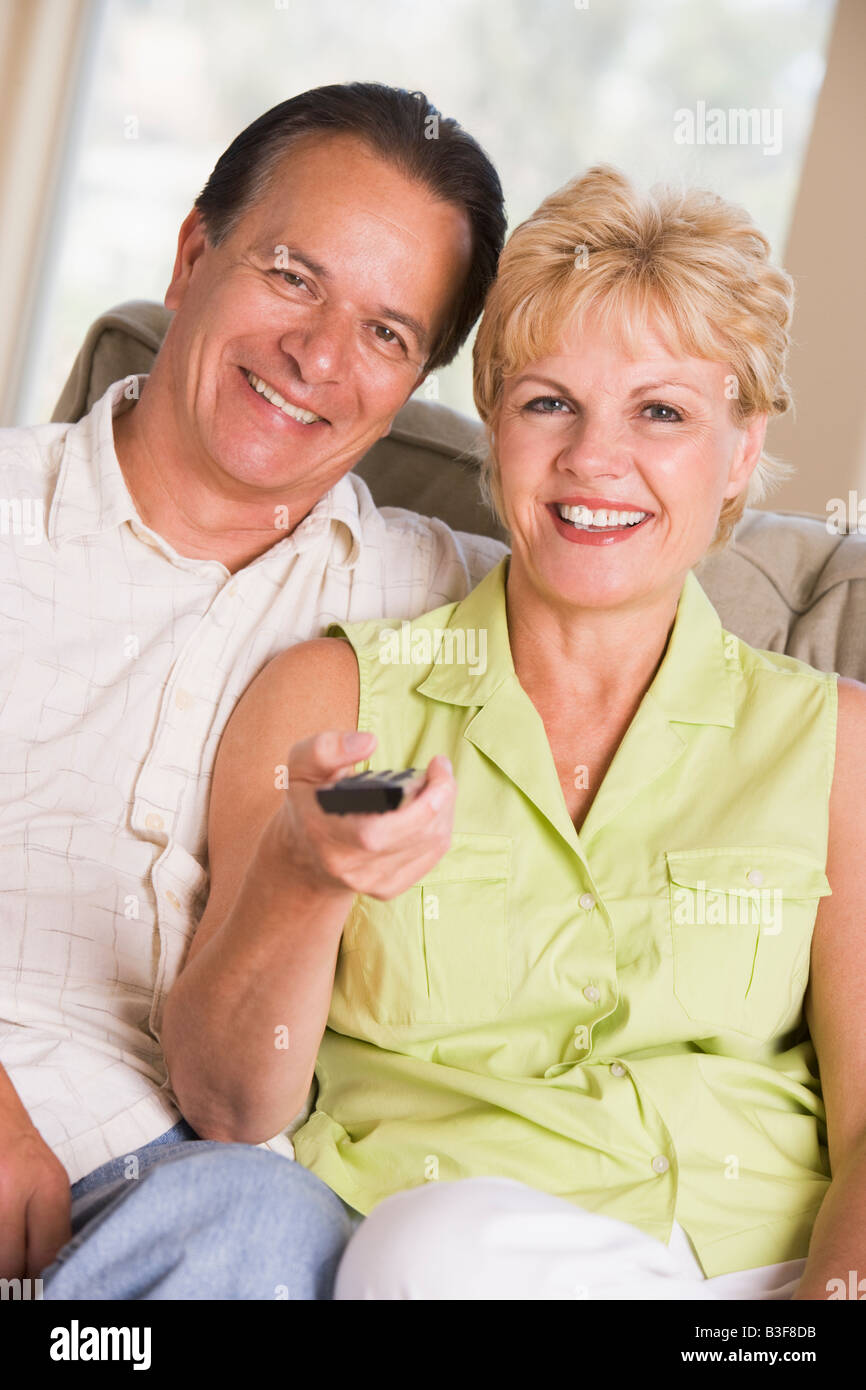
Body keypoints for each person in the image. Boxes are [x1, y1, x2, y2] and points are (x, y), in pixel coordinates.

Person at [168, 165, 866, 1300]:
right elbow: (229, 1102)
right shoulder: (331, 698)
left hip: (761, 1287)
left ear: (738, 451)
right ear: (494, 423)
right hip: (449, 1268)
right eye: (549, 402)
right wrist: (303, 877)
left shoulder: (835, 746)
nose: (594, 460)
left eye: (661, 412)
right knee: (439, 1248)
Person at [0, 81, 507, 1299]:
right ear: (192, 257)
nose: (320, 356)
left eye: (387, 333)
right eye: (292, 275)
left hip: (188, 1216)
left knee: (270, 1226)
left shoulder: (436, 595)